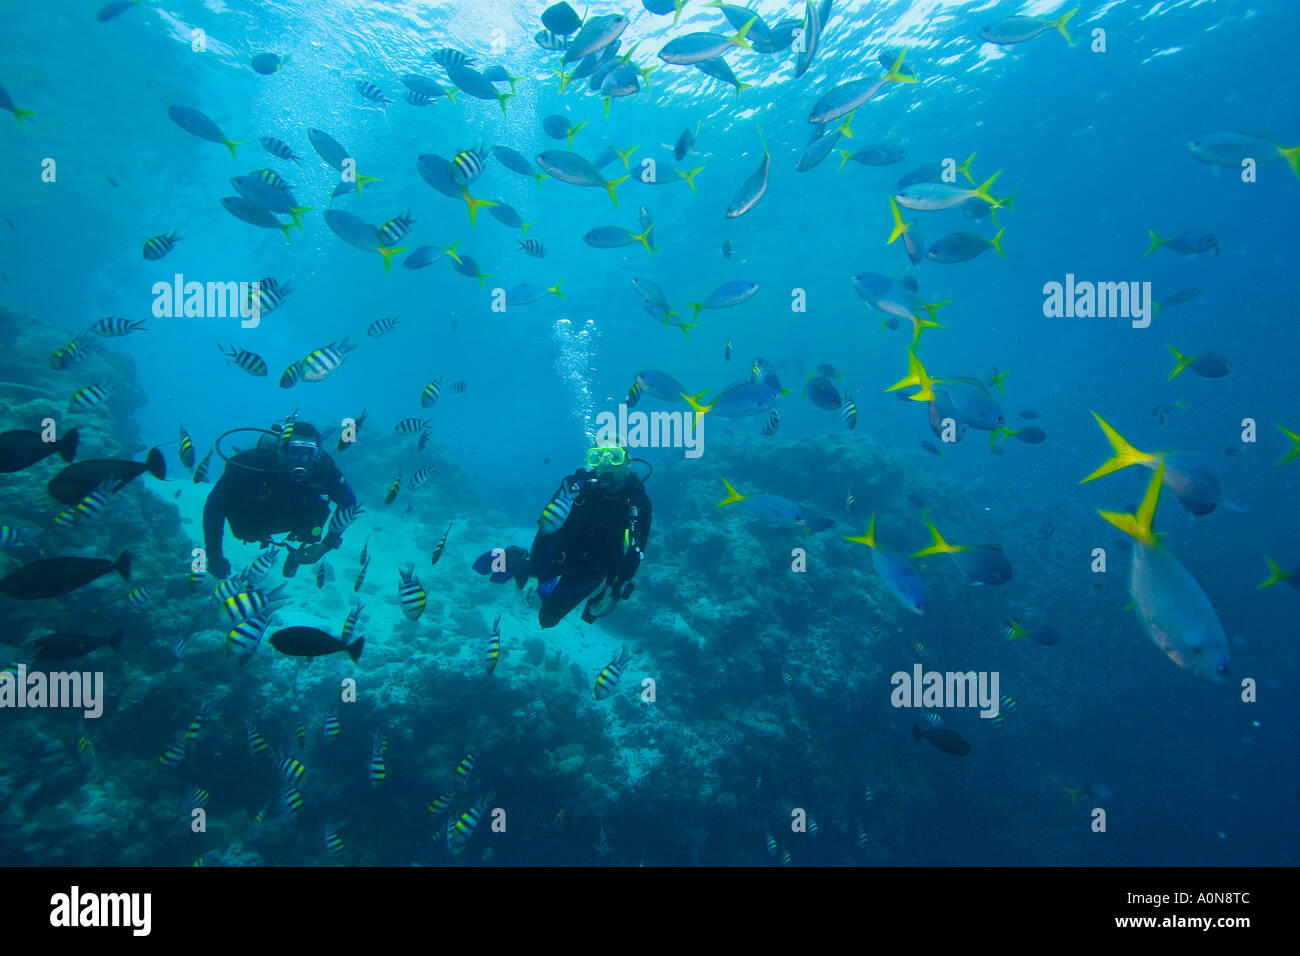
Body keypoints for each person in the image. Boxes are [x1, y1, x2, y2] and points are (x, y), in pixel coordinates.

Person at [474, 439, 651, 628]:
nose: (606, 463)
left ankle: (529, 571)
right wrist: (533, 573)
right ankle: (515, 558)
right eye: (598, 457)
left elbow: (635, 550)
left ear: (627, 463)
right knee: (527, 585)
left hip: (593, 571)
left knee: (547, 620)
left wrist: (614, 591)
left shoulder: (639, 503)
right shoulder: (574, 489)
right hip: (558, 554)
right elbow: (546, 529)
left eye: (615, 457)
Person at [203, 419, 357, 579]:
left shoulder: (323, 470)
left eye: (310, 452)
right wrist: (214, 555)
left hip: (297, 522)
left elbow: (349, 502)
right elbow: (214, 507)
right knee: (245, 527)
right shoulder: (249, 465)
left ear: (317, 454)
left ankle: (296, 554)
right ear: (281, 449)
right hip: (256, 521)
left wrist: (326, 544)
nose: (303, 460)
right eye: (296, 450)